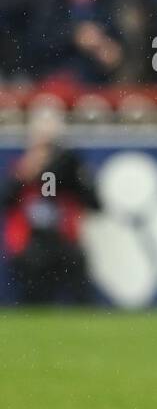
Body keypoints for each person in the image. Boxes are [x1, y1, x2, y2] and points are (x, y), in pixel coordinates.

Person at [2, 118, 100, 305]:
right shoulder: (20, 169)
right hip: (29, 241)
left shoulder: (67, 172)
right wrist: (22, 176)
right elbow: (5, 201)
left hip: (63, 240)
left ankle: (84, 316)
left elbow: (94, 204)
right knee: (34, 268)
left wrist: (79, 177)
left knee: (75, 264)